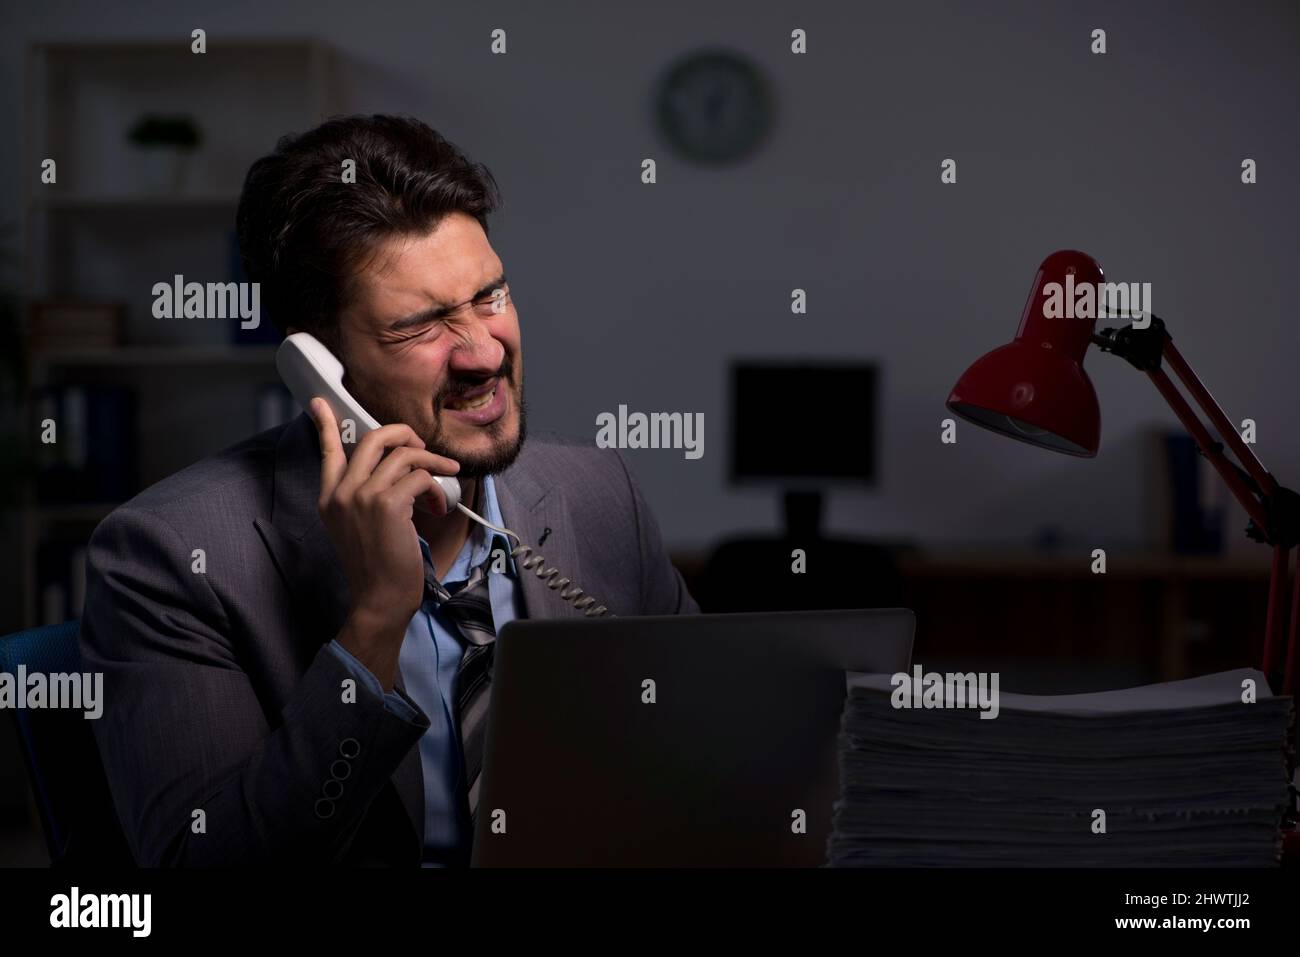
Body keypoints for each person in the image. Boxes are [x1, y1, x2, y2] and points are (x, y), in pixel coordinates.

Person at [79, 114, 699, 867]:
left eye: (490, 295)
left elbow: (694, 761)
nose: (482, 352)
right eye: (421, 325)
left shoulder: (601, 493)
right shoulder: (169, 556)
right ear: (319, 363)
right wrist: (373, 623)